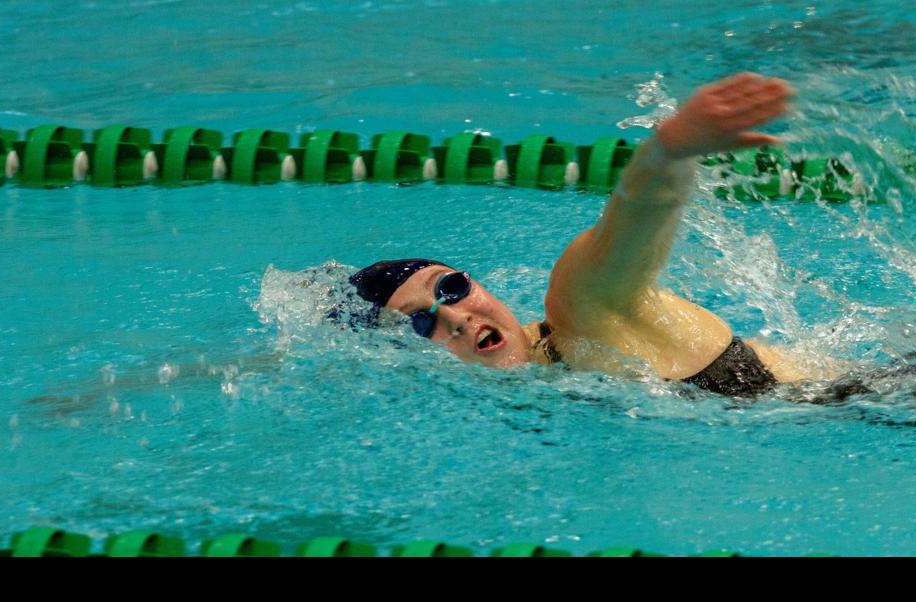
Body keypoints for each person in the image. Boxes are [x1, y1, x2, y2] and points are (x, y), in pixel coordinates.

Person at [344, 72, 840, 396]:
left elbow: (629, 224)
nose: (456, 318)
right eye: (420, 325)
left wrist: (669, 149)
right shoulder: (548, 377)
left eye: (451, 289)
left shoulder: (580, 307)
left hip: (893, 403)